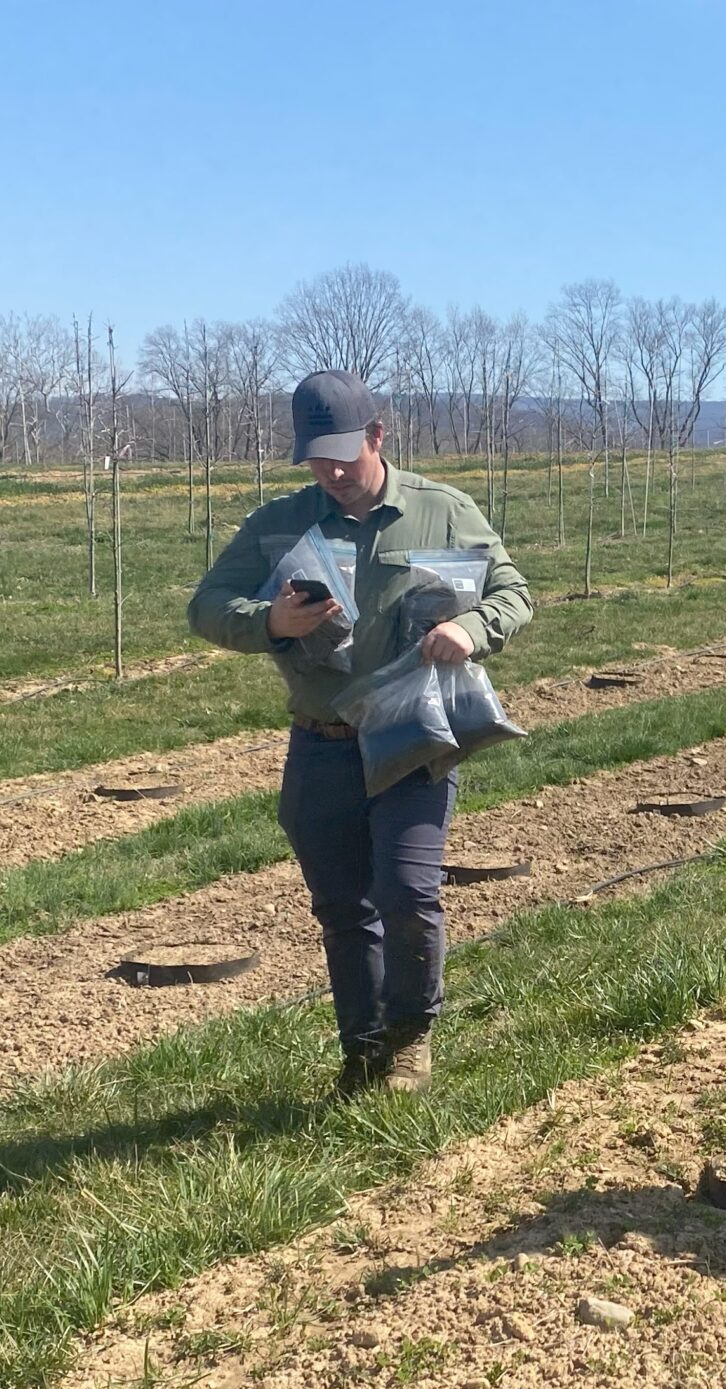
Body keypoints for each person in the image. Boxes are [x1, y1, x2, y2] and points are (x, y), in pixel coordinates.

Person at [190, 370, 533, 1097]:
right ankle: (363, 1051)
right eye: (317, 459)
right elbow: (207, 606)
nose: (333, 472)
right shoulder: (282, 524)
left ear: (377, 436)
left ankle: (410, 1039)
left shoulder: (442, 512)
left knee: (407, 894)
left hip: (413, 739)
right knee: (344, 909)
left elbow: (513, 591)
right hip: (321, 742)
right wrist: (268, 623)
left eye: (344, 454)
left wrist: (472, 628)